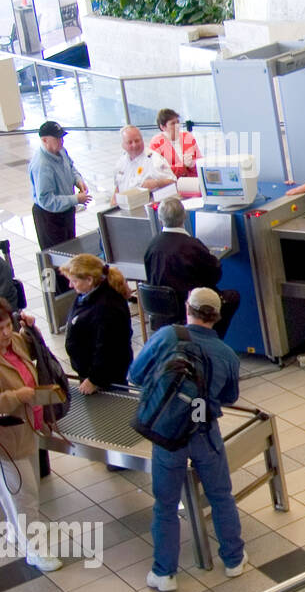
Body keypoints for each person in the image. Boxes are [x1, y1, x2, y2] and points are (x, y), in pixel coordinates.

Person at [128, 289, 246, 591]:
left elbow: (135, 375)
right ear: (217, 316)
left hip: (168, 434)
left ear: (187, 308)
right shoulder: (226, 354)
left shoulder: (168, 336)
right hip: (205, 433)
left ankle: (164, 572)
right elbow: (230, 396)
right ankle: (233, 559)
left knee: (165, 504)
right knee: (221, 496)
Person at [0, 297, 62, 573]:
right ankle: (36, 551)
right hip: (7, 439)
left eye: (6, 326)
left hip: (28, 427)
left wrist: (29, 331)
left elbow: (31, 354)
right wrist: (16, 396)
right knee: (25, 495)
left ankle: (22, 536)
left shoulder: (13, 340)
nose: (5, 334)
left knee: (19, 493)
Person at [144, 198, 241, 337]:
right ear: (184, 216)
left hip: (163, 313)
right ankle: (211, 339)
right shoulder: (192, 246)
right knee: (232, 297)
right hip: (191, 308)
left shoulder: (152, 246)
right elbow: (215, 276)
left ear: (160, 220)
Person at [28, 121, 90, 294]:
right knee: (57, 259)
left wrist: (78, 180)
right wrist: (74, 199)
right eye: (57, 139)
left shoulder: (60, 151)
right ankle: (62, 298)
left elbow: (71, 167)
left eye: (62, 138)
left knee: (70, 252)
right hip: (49, 217)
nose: (61, 142)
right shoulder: (42, 165)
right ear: (45, 140)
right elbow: (46, 200)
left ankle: (74, 291)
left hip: (65, 212)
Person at [61, 254, 133, 396]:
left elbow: (108, 348)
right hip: (92, 374)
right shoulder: (87, 295)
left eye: (74, 281)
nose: (70, 285)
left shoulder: (107, 307)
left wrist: (95, 379)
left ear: (89, 280)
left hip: (105, 380)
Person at [113, 125, 175, 200]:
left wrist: (157, 183)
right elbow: (118, 187)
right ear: (123, 145)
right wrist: (113, 203)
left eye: (137, 141)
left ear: (142, 140)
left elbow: (173, 182)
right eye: (130, 142)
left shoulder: (154, 160)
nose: (134, 145)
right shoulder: (121, 163)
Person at [149, 108, 201, 178]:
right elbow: (161, 171)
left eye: (178, 122)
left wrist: (192, 165)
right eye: (173, 123)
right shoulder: (156, 143)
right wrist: (183, 166)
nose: (177, 126)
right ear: (163, 127)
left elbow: (200, 162)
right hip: (172, 184)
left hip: (193, 181)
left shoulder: (188, 137)